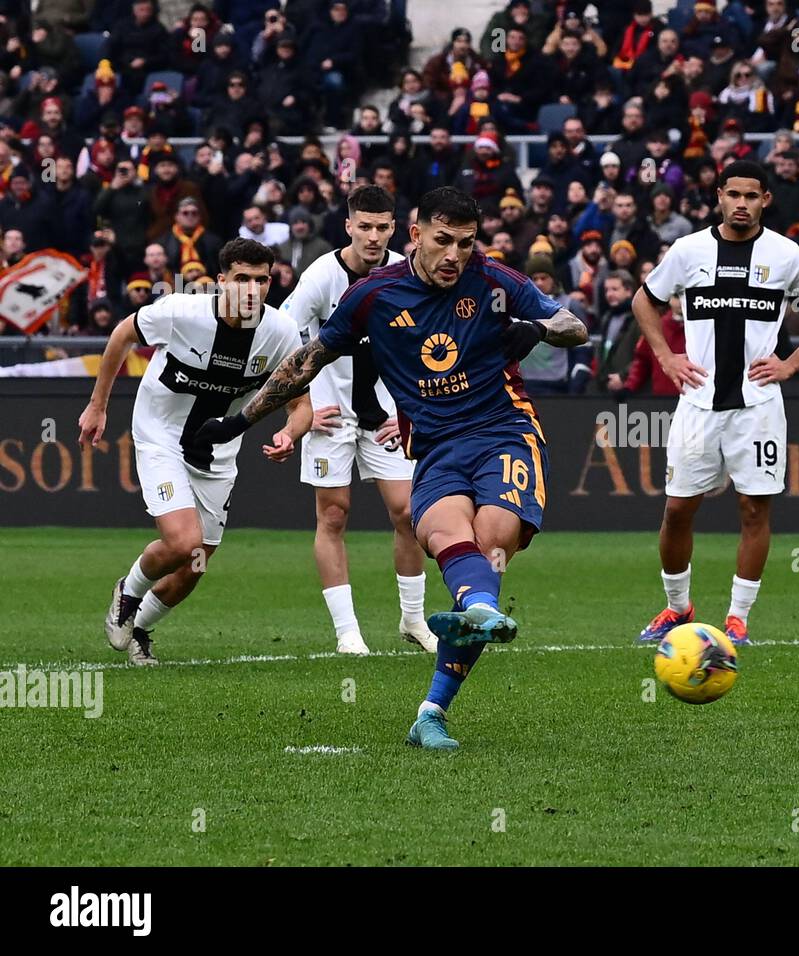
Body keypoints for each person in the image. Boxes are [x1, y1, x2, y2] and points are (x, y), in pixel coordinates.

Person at [191, 187, 589, 751]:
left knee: (493, 537)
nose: (454, 254)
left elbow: (576, 326)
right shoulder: (374, 295)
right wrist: (241, 420)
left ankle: (467, 622)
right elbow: (308, 361)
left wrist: (538, 329)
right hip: (435, 448)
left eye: (465, 243)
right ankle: (435, 700)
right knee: (446, 535)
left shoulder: (496, 280)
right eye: (443, 240)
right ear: (416, 236)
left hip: (505, 431)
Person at [628, 160, 799, 647]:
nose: (741, 204)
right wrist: (665, 355)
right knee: (678, 508)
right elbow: (644, 300)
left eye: (752, 196)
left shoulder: (787, 256)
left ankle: (738, 618)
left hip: (758, 406)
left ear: (766, 199)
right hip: (698, 403)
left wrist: (791, 363)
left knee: (752, 509)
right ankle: (677, 608)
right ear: (718, 195)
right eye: (733, 195)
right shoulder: (688, 251)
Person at [77, 239, 304, 665]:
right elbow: (123, 332)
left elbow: (300, 402)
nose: (251, 290)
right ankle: (128, 590)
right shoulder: (182, 311)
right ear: (221, 282)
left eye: (261, 281)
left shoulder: (281, 332)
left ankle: (140, 627)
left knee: (195, 563)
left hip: (216, 455)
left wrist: (291, 432)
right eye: (241, 280)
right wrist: (98, 404)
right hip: (160, 433)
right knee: (183, 541)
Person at [268, 185, 435, 656]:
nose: (374, 236)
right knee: (334, 514)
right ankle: (348, 634)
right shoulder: (322, 275)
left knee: (408, 513)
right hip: (330, 414)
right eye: (365, 226)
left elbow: (426, 347)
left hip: (384, 415)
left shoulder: (409, 272)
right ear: (348, 227)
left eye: (383, 227)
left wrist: (409, 410)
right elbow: (283, 335)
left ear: (396, 228)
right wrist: (301, 404)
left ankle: (413, 621)